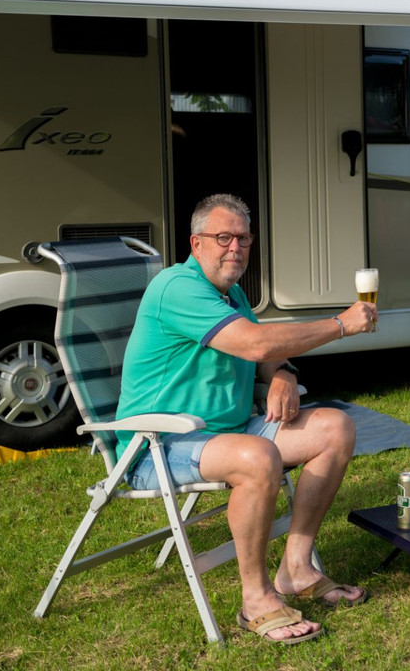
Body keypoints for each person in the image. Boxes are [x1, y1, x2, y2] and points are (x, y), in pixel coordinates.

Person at [116, 192, 376, 645]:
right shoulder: (178, 287)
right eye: (223, 238)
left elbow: (263, 353)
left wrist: (284, 374)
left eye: (243, 238)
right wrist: (340, 324)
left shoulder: (231, 291)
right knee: (257, 457)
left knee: (336, 427)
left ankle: (296, 569)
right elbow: (254, 343)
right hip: (158, 443)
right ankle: (255, 599)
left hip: (228, 431)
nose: (235, 248)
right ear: (196, 243)